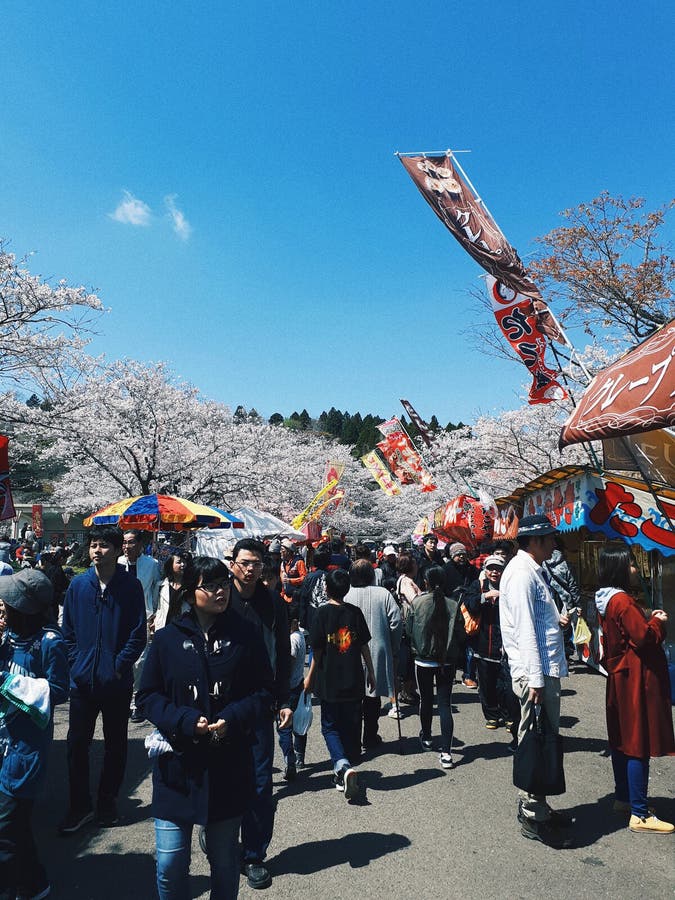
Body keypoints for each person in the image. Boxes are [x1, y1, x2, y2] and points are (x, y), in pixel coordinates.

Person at [137, 556, 273, 899]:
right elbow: (148, 696)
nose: (220, 591)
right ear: (189, 591)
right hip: (177, 766)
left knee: (225, 861)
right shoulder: (167, 639)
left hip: (226, 765)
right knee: (170, 862)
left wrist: (234, 717)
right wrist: (183, 721)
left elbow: (263, 691)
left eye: (224, 584)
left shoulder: (246, 635)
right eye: (209, 585)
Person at [59, 525, 147, 833]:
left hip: (116, 681)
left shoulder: (130, 586)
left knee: (115, 745)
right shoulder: (78, 586)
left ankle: (107, 801)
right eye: (94, 545)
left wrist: (119, 666)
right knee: (76, 745)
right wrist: (75, 663)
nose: (97, 551)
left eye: (104, 546)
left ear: (117, 549)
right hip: (82, 681)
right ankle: (80, 805)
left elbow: (138, 635)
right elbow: (67, 630)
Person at [500, 514, 572, 847]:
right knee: (536, 741)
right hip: (536, 674)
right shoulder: (520, 574)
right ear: (535, 541)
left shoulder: (531, 571)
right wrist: (535, 680)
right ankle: (531, 810)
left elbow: (536, 620)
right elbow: (524, 630)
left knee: (544, 739)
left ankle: (538, 806)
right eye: (550, 539)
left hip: (541, 671)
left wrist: (557, 619)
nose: (554, 544)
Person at [595, 544, 674, 834]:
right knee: (637, 743)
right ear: (618, 567)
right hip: (634, 679)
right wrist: (657, 621)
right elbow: (643, 638)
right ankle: (639, 813)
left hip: (619, 676)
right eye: (630, 564)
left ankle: (624, 797)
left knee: (621, 739)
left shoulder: (605, 599)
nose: (634, 569)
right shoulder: (622, 602)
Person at [0, 569, 69, 900]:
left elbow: (58, 689)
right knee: (15, 827)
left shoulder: (49, 642)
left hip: (26, 748)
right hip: (4, 738)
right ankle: (35, 884)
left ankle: (14, 886)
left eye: (7, 603)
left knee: (6, 827)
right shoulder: (8, 638)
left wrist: (10, 683)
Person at [229, 538, 291, 891]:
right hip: (222, 702)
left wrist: (284, 699)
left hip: (260, 702)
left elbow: (283, 653)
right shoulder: (220, 598)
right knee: (222, 774)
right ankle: (218, 831)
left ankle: (254, 854)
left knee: (259, 781)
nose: (250, 569)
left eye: (256, 564)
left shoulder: (272, 604)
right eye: (244, 563)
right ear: (233, 563)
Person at [304, 569, 375, 800]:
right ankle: (346, 764)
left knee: (330, 726)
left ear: (326, 589)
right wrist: (371, 672)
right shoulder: (355, 612)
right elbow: (364, 645)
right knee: (350, 723)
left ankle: (342, 764)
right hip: (353, 677)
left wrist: (310, 677)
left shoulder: (321, 614)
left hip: (329, 680)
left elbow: (317, 650)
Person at [407, 566, 466, 769]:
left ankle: (427, 737)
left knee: (425, 699)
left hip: (423, 659)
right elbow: (460, 632)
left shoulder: (418, 602)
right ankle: (447, 753)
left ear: (426, 582)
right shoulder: (453, 605)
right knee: (444, 704)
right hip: (447, 660)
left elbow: (409, 629)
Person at [346, 560, 401, 748]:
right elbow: (396, 621)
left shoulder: (345, 593)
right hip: (378, 649)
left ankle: (353, 740)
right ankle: (370, 736)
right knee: (373, 695)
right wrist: (393, 646)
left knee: (354, 698)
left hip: (350, 651)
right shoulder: (383, 593)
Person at [118, 530, 162, 723]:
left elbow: (155, 589)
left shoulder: (151, 564)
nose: (127, 546)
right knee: (120, 656)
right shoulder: (117, 562)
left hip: (143, 615)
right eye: (124, 542)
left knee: (140, 661)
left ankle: (136, 702)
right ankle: (121, 699)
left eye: (131, 542)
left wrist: (154, 612)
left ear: (140, 544)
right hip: (119, 617)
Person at [465, 555, 513, 729]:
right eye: (491, 568)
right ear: (485, 570)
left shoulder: (510, 586)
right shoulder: (478, 586)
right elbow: (469, 603)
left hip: (506, 643)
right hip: (483, 643)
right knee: (486, 683)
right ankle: (492, 715)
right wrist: (485, 596)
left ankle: (509, 715)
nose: (494, 572)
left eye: (498, 569)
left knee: (506, 684)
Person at [444, 543, 480, 688]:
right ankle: (450, 674)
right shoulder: (445, 570)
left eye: (463, 554)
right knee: (452, 644)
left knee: (470, 643)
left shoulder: (473, 570)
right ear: (452, 556)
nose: (461, 557)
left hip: (470, 611)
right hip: (451, 611)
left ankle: (468, 675)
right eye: (458, 555)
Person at [277, 615, 308, 778]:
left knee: (285, 726)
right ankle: (299, 756)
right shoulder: (301, 635)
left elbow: (288, 663)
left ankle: (290, 759)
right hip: (298, 683)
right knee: (299, 722)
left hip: (289, 687)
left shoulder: (292, 640)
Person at [154, 551, 192, 631]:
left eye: (185, 562)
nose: (182, 565)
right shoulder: (160, 586)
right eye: (179, 562)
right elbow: (155, 606)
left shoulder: (191, 587)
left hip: (184, 629)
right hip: (164, 627)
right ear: (171, 565)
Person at [279, 539, 307, 610]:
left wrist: (291, 580)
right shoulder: (283, 564)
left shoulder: (299, 562)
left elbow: (304, 578)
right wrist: (282, 594)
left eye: (282, 550)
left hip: (296, 598)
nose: (280, 552)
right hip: (285, 597)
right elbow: (283, 581)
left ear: (288, 551)